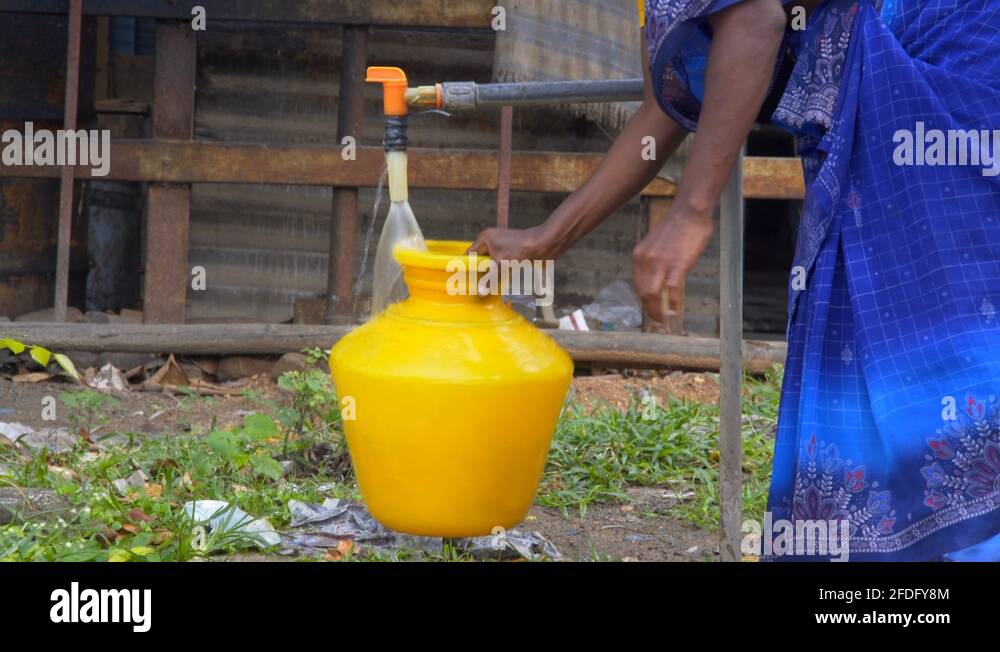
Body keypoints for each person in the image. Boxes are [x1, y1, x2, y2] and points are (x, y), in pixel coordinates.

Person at [471, 0, 1000, 561]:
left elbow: (756, 19)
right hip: (889, 121)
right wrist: (548, 237)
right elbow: (666, 109)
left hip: (944, 96)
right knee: (886, 360)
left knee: (945, 353)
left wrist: (690, 213)